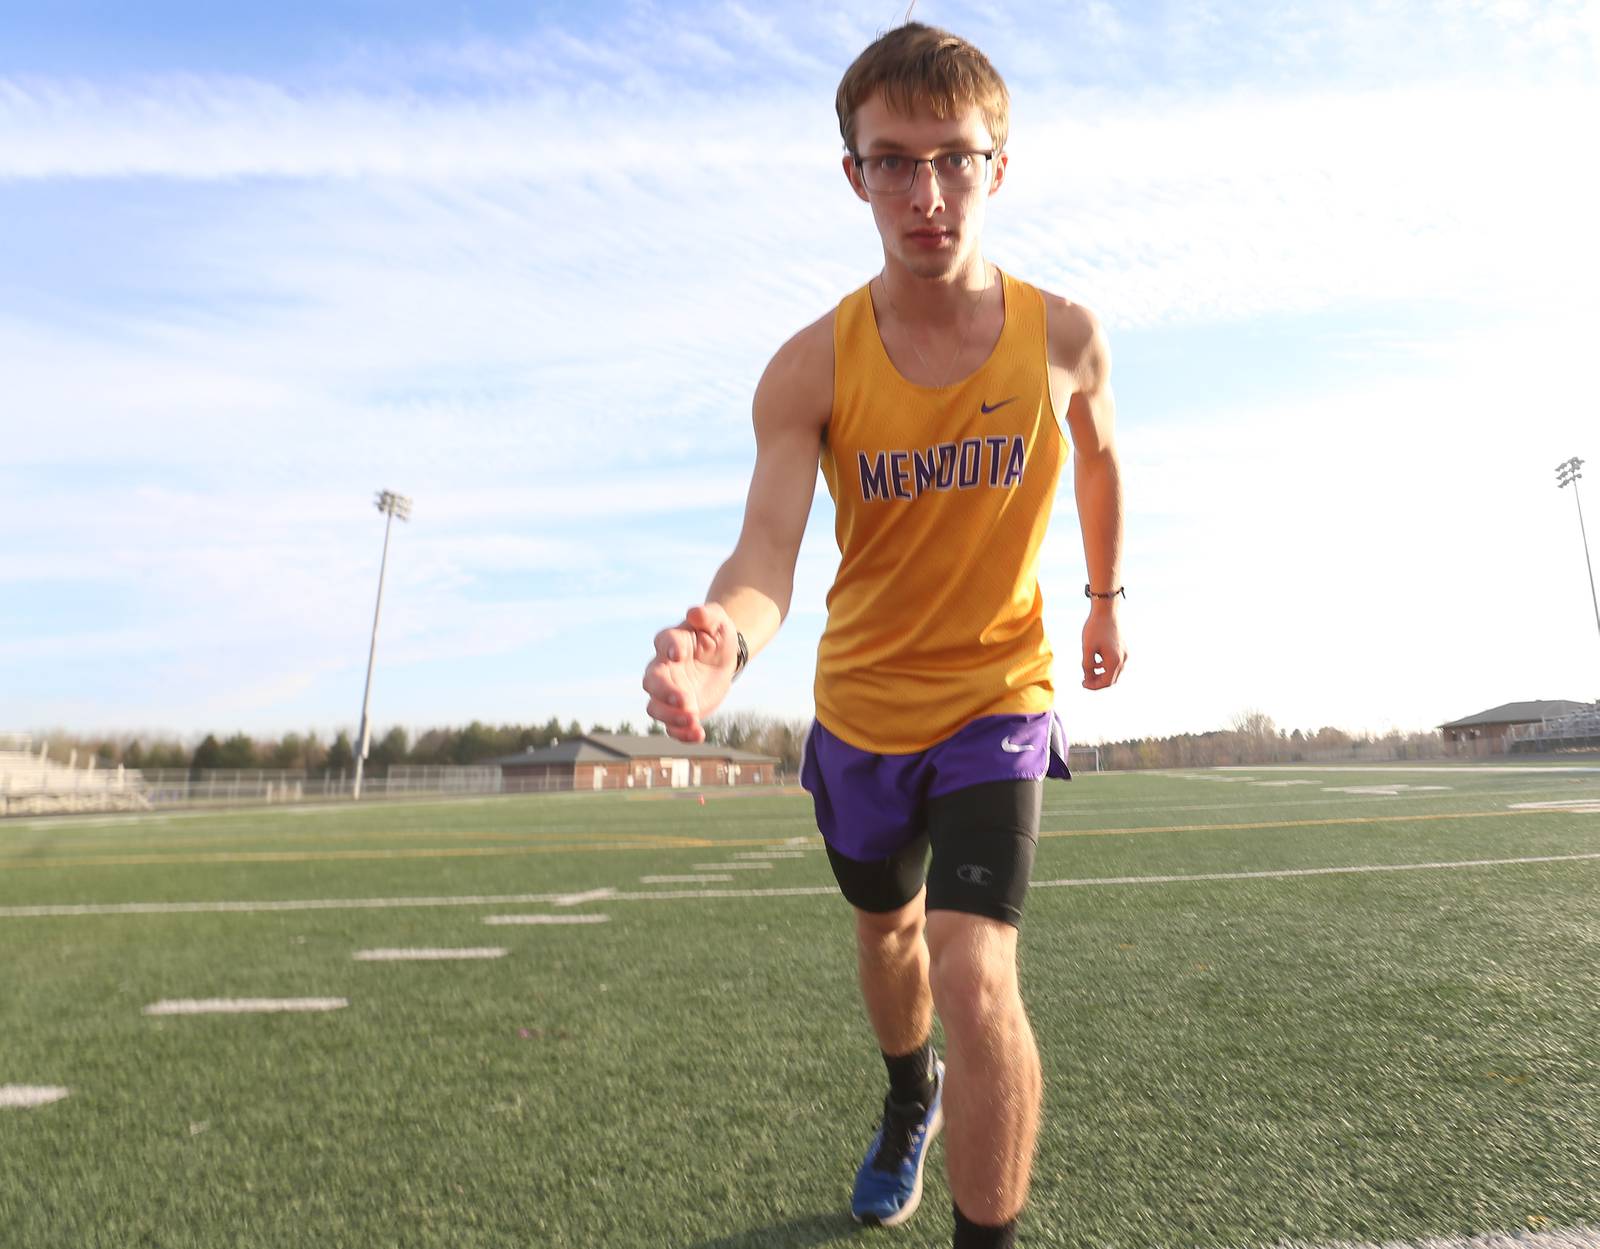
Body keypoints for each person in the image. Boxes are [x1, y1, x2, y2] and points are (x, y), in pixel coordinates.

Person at [643, 22, 1126, 1249]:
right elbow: (765, 556)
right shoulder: (807, 370)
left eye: (954, 159)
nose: (927, 191)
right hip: (860, 713)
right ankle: (908, 1094)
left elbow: (1103, 459)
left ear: (997, 169)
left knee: (975, 972)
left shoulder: (1061, 335)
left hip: (996, 700)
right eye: (894, 161)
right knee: (889, 937)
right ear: (852, 174)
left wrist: (1104, 597)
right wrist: (717, 640)